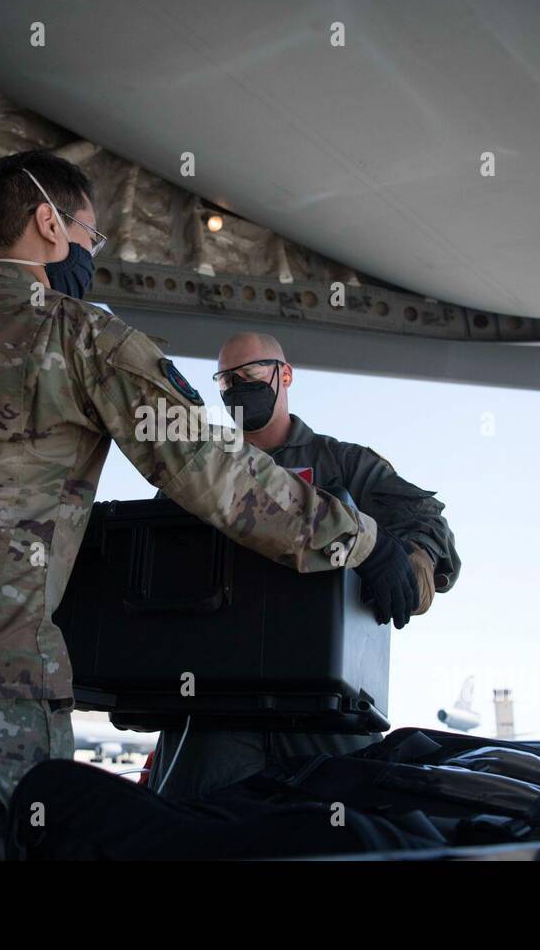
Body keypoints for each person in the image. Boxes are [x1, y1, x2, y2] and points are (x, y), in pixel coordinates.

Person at [0, 151, 419, 860]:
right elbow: (213, 470)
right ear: (49, 224)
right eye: (91, 236)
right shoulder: (79, 335)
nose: (92, 254)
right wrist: (359, 540)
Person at [147, 331, 460, 799]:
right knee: (184, 832)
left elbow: (425, 519)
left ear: (285, 374)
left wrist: (412, 563)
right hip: (213, 704)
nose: (237, 389)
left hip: (324, 702)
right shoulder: (199, 469)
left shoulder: (343, 465)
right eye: (226, 381)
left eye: (250, 375)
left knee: (350, 829)